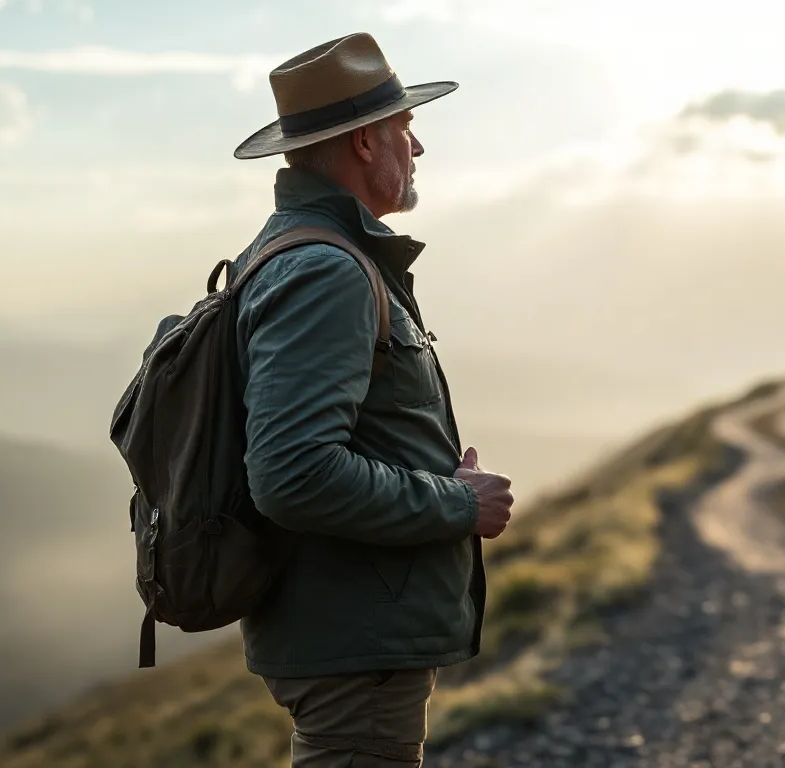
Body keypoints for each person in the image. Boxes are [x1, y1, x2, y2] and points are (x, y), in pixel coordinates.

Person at [229, 32, 514, 767]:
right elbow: (293, 474)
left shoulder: (297, 250)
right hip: (355, 652)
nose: (416, 150)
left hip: (347, 637)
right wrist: (457, 504)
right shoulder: (328, 270)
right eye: (405, 130)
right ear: (363, 142)